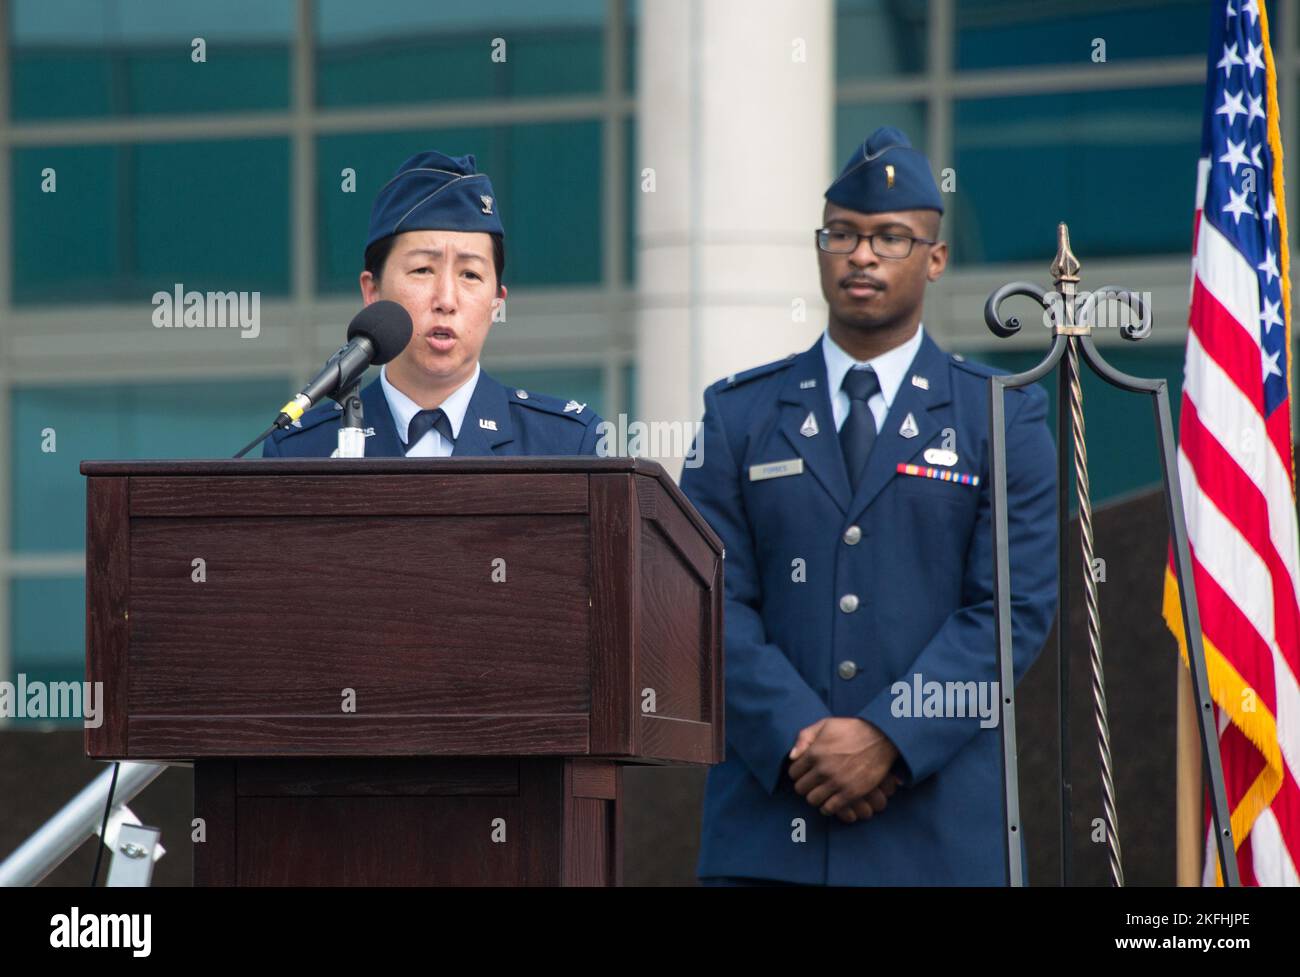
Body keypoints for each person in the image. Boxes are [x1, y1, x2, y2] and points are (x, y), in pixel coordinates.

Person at [680, 126, 1058, 885]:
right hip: (769, 832)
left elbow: (1009, 612)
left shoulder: (998, 415)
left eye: (890, 237)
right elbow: (703, 599)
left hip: (939, 838)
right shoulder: (739, 416)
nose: (861, 255)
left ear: (936, 258)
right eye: (843, 235)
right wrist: (800, 736)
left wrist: (888, 735)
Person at [264, 150, 603, 458]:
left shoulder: (565, 444)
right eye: (423, 270)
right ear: (373, 292)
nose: (446, 300)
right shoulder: (303, 448)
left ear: (496, 303)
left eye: (470, 274)